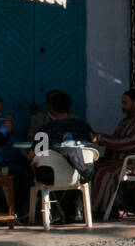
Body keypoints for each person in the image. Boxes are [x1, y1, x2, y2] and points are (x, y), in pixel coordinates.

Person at [91, 88, 135, 217]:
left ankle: (99, 210)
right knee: (92, 167)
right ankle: (107, 206)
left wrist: (102, 139)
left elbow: (129, 143)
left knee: (105, 173)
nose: (122, 107)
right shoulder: (128, 120)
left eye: (125, 103)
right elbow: (117, 137)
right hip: (123, 160)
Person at [30, 92, 96, 223]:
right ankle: (76, 209)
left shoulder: (44, 130)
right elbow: (93, 143)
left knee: (31, 170)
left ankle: (48, 210)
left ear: (51, 109)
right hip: (79, 174)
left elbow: (33, 155)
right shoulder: (83, 126)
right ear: (69, 107)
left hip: (51, 177)